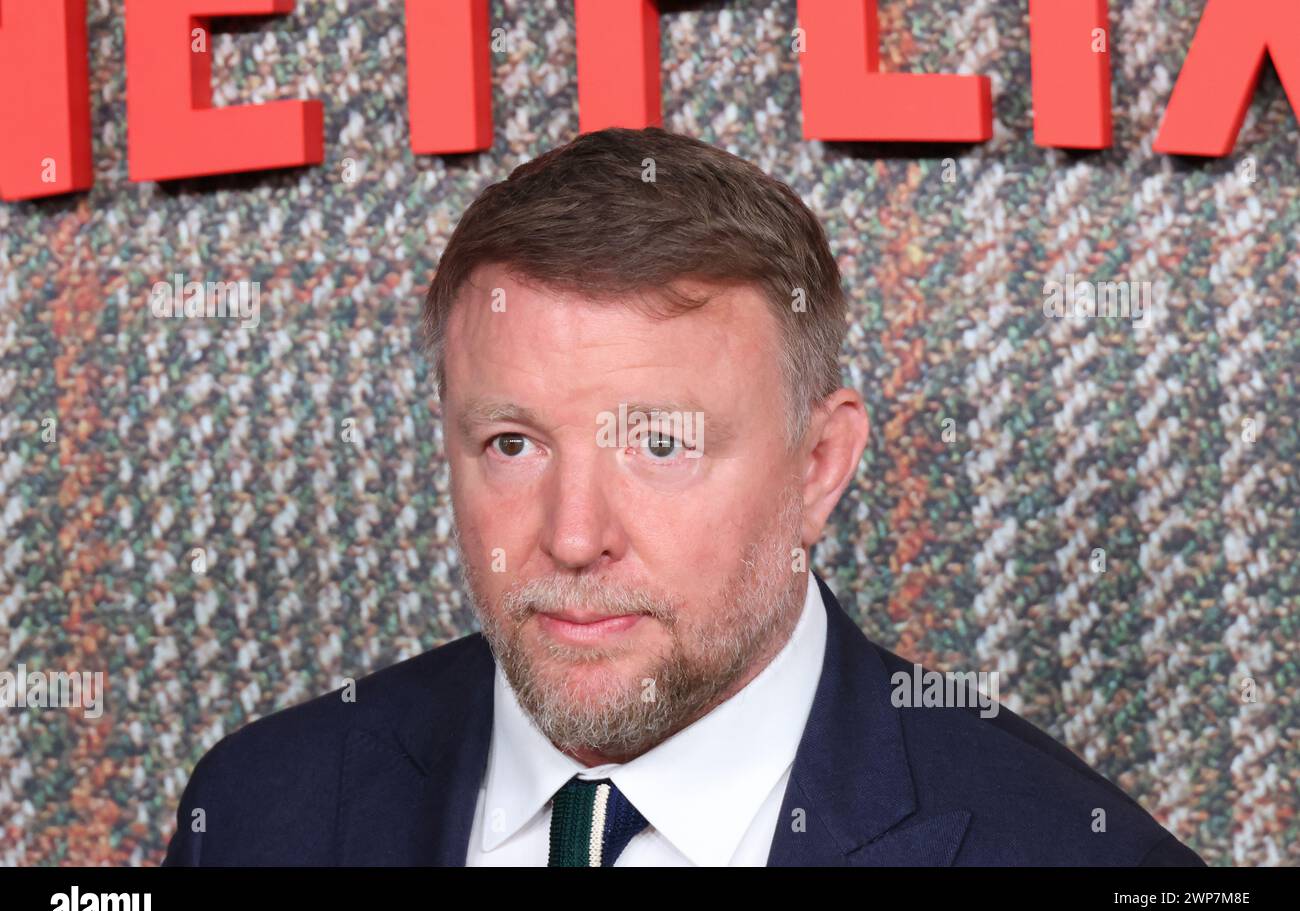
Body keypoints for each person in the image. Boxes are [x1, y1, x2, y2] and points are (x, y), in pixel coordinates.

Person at [162, 127, 1204, 866]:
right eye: (513, 441)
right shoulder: (259, 808)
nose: (573, 536)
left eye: (660, 443)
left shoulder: (1067, 853)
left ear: (819, 463)